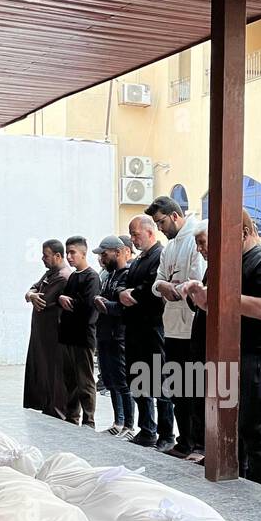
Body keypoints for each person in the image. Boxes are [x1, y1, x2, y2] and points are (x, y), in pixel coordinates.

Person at [182, 212, 261, 488]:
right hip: (229, 353)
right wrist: (200, 296)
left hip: (257, 355)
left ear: (242, 232)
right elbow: (217, 307)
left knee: (255, 430)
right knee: (232, 426)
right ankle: (239, 485)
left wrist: (216, 296)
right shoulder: (232, 261)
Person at [146, 195, 206, 456]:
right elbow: (157, 281)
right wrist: (164, 286)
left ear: (174, 215)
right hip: (171, 326)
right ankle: (184, 441)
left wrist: (173, 287)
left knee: (194, 390)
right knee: (179, 389)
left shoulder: (195, 239)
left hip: (191, 326)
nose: (159, 228)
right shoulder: (169, 247)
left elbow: (197, 280)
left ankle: (199, 443)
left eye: (161, 222)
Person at [120, 214, 169, 446]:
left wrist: (132, 294)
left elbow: (152, 289)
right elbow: (125, 282)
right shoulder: (139, 260)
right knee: (138, 380)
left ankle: (167, 434)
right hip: (134, 329)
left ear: (150, 233)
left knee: (159, 382)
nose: (132, 239)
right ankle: (147, 428)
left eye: (135, 234)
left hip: (153, 328)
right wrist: (123, 292)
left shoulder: (160, 256)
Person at [22, 239, 71, 419]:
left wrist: (34, 296)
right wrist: (30, 295)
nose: (43, 259)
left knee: (54, 373)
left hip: (53, 334)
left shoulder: (63, 276)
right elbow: (33, 290)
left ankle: (56, 410)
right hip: (42, 334)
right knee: (43, 371)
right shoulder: (49, 273)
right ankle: (46, 405)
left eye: (46, 256)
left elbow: (43, 300)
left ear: (58, 256)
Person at [92, 236, 134, 436]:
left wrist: (106, 306)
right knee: (110, 380)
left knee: (123, 381)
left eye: (104, 253)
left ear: (118, 252)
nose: (101, 258)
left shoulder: (126, 275)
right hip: (104, 334)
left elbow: (126, 306)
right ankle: (118, 421)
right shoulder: (107, 276)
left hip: (119, 335)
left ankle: (129, 425)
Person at [56, 235, 99, 427]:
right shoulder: (73, 276)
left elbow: (89, 309)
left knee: (85, 380)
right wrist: (61, 299)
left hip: (83, 337)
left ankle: (89, 420)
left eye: (72, 252)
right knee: (70, 380)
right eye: (67, 253)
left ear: (83, 253)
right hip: (67, 336)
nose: (69, 257)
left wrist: (68, 301)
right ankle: (72, 416)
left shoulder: (92, 277)